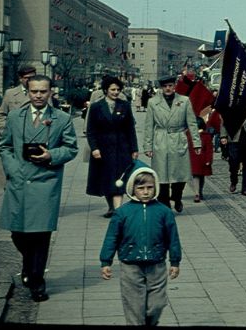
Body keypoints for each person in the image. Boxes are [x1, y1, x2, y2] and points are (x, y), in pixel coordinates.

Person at [0, 74, 78, 302]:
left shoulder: (61, 118)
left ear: (51, 91)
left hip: (46, 182)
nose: (39, 96)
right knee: (18, 233)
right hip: (19, 182)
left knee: (41, 235)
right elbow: (5, 147)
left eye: (43, 91)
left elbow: (71, 148)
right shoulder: (15, 117)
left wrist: (51, 154)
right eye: (34, 91)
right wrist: (12, 169)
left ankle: (37, 280)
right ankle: (28, 263)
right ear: (28, 91)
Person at [99, 160, 181, 326]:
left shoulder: (164, 212)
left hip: (156, 264)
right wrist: (106, 261)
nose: (145, 192)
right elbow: (111, 237)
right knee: (134, 307)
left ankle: (150, 322)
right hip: (130, 265)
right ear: (132, 188)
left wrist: (175, 261)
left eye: (149, 187)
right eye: (141, 188)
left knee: (157, 304)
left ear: (155, 187)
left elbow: (172, 238)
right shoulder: (122, 212)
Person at [143, 75, 201, 213]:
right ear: (161, 87)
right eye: (165, 86)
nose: (168, 89)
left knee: (180, 174)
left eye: (170, 86)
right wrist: (148, 146)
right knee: (162, 175)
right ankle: (165, 204)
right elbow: (148, 125)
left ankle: (177, 197)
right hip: (161, 140)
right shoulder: (153, 102)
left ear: (174, 86)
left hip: (178, 139)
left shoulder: (184, 101)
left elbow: (192, 123)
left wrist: (196, 143)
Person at [86, 75, 139, 217]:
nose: (116, 92)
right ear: (105, 90)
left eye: (118, 89)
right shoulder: (96, 107)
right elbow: (91, 130)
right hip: (103, 149)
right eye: (113, 89)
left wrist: (134, 149)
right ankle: (111, 206)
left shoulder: (125, 105)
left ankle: (118, 210)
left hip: (121, 148)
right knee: (106, 178)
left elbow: (130, 129)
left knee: (119, 178)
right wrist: (94, 148)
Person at [220, 92, 246, 196]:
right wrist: (223, 136)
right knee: (233, 163)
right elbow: (224, 120)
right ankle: (234, 180)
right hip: (233, 137)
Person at [0, 65, 36, 135]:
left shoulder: (43, 93)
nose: (30, 80)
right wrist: (4, 131)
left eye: (33, 77)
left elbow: (50, 114)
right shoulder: (10, 93)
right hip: (15, 134)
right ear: (20, 79)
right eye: (27, 78)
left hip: (35, 134)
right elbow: (1, 114)